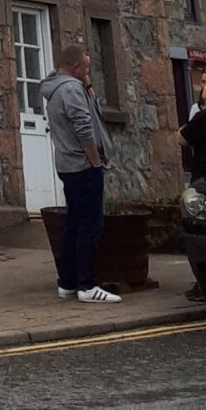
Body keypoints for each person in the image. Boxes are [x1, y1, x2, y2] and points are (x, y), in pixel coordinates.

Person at [39, 43, 118, 303]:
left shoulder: (61, 87)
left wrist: (87, 83)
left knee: (74, 223)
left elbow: (92, 107)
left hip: (68, 165)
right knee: (90, 226)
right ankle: (87, 285)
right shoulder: (71, 89)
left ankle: (68, 282)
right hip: (83, 166)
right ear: (75, 67)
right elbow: (84, 126)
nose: (88, 72)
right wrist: (94, 161)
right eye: (85, 67)